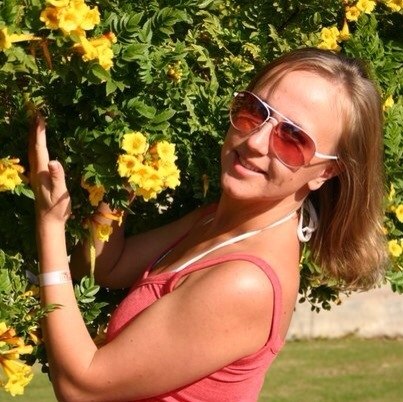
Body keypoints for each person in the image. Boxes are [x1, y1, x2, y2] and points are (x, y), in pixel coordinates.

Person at [29, 47, 387, 402]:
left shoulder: (246, 282)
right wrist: (125, 179)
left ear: (326, 171)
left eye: (293, 138)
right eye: (255, 111)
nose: (256, 141)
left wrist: (51, 223)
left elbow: (82, 388)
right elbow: (107, 266)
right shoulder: (214, 220)